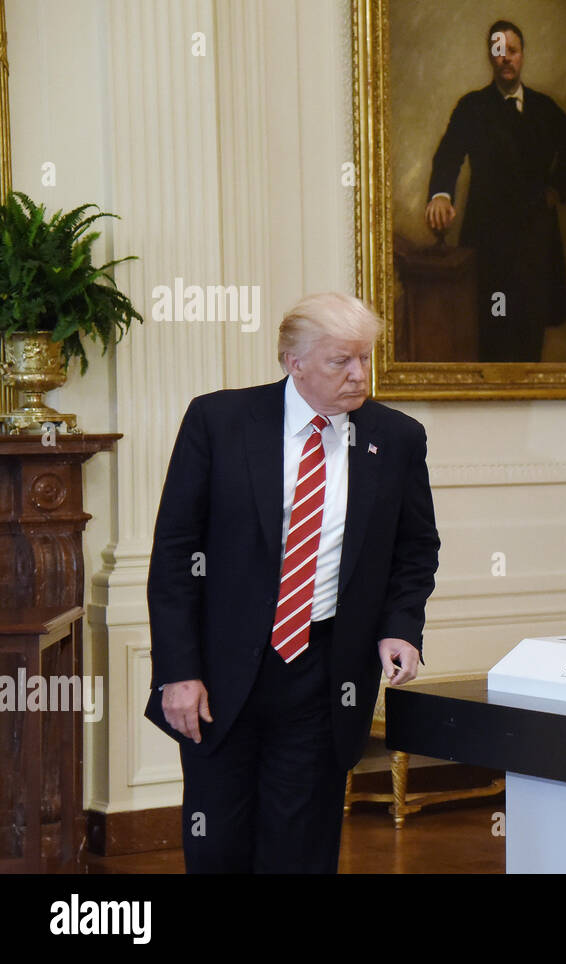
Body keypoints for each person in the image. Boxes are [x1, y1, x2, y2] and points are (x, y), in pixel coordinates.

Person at [145, 292, 441, 873]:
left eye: (365, 359)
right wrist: (178, 672)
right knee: (218, 843)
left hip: (326, 672)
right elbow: (176, 556)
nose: (358, 375)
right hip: (221, 674)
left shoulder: (396, 438)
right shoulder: (220, 421)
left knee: (300, 845)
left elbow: (415, 549)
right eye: (340, 361)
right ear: (293, 361)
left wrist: (400, 628)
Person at [425, 19, 566, 363]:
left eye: (512, 50)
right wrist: (441, 194)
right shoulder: (473, 107)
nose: (505, 58)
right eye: (498, 51)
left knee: (530, 330)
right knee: (491, 327)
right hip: (488, 238)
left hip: (535, 241)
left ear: (522, 55)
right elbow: (449, 154)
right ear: (490, 58)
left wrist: (558, 187)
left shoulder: (543, 108)